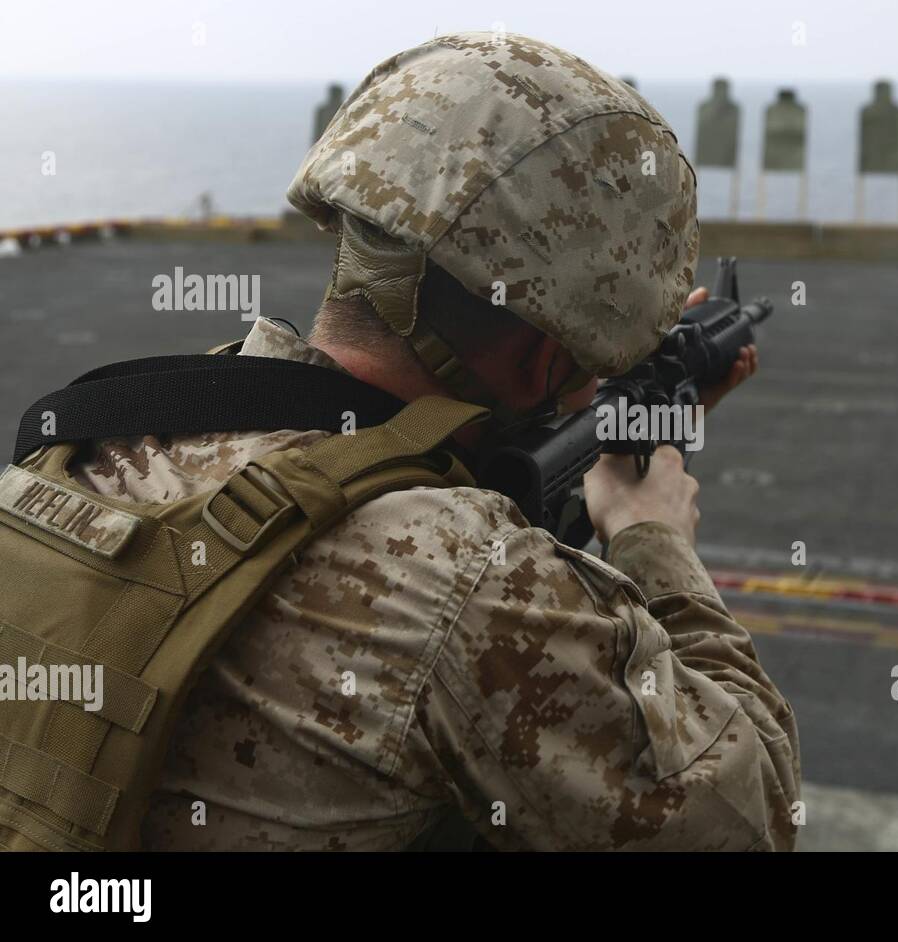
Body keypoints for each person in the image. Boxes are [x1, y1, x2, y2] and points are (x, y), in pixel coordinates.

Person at [79, 31, 800, 851]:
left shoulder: (98, 436)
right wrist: (654, 539)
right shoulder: (470, 582)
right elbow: (756, 817)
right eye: (597, 366)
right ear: (542, 358)